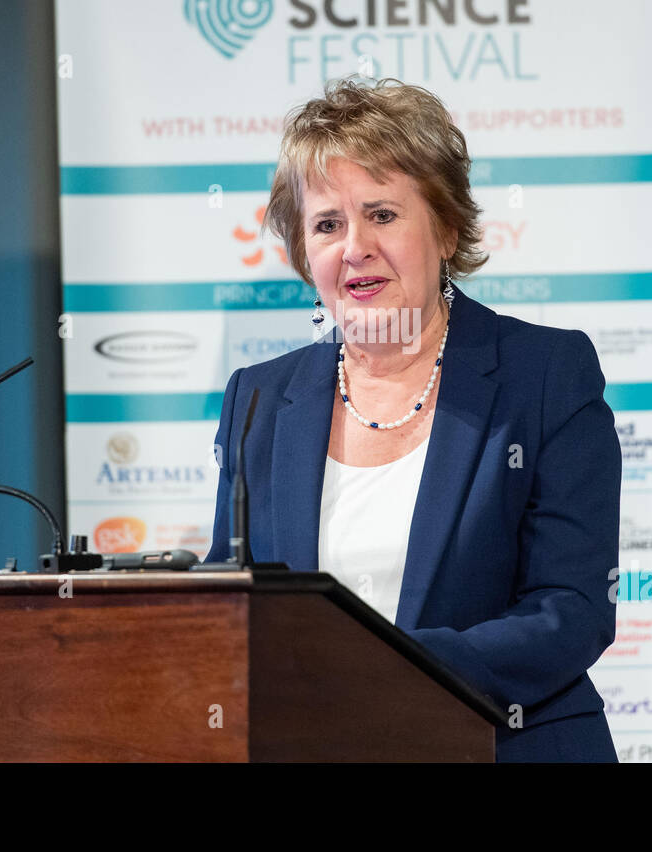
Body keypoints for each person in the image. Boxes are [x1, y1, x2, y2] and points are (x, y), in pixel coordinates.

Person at [206, 76, 621, 762]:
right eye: (328, 225)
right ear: (305, 252)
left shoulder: (544, 375)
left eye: (383, 214)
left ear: (448, 227)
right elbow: (228, 613)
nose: (355, 247)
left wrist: (377, 669)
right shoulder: (257, 400)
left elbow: (569, 610)